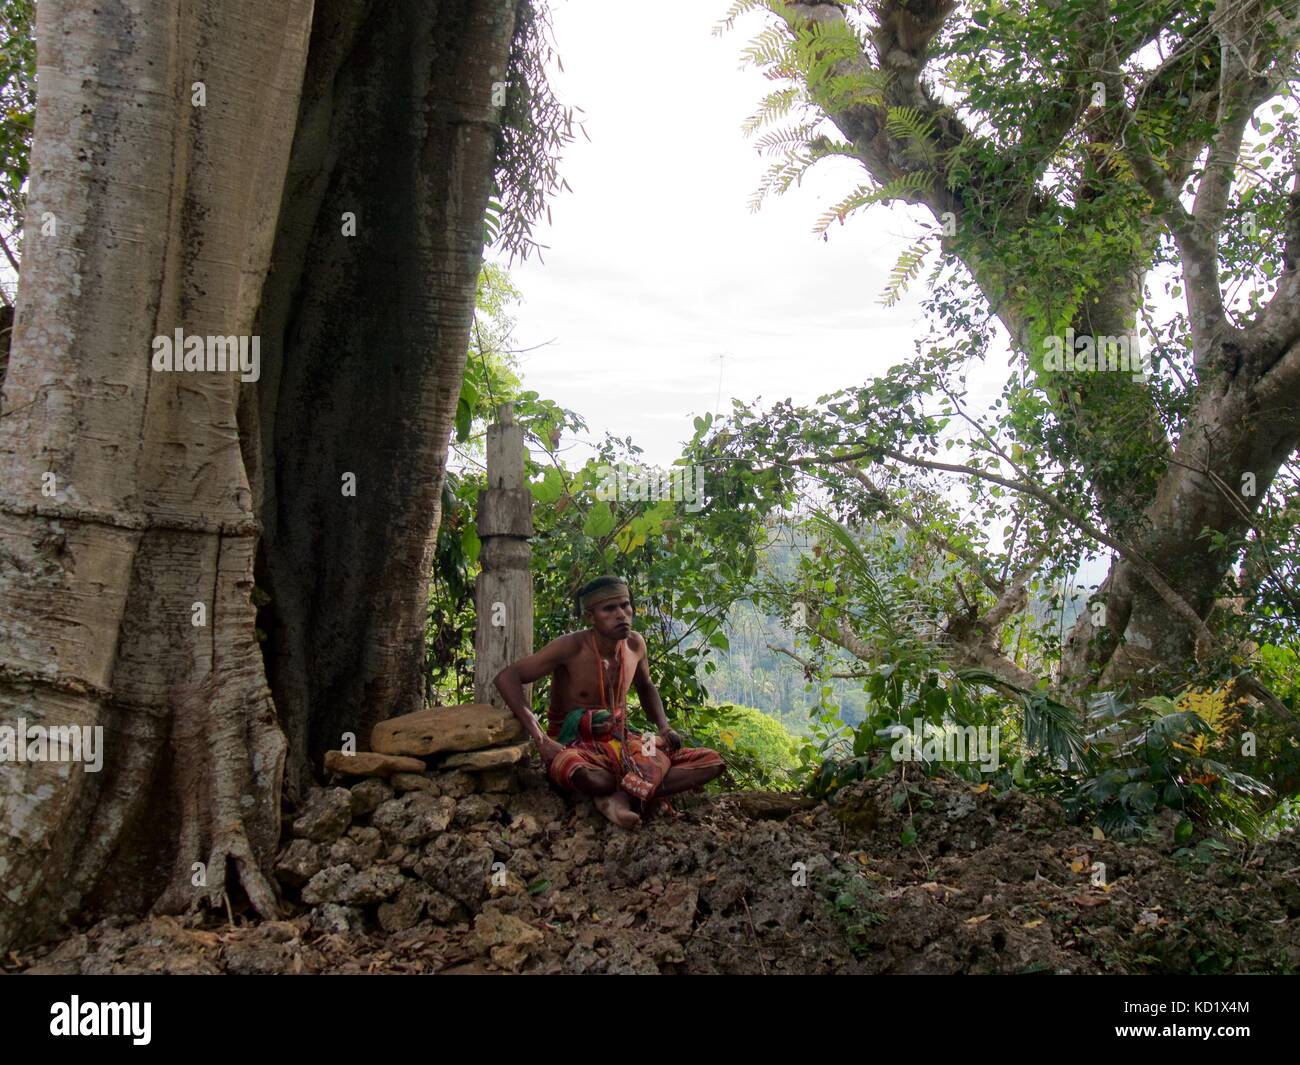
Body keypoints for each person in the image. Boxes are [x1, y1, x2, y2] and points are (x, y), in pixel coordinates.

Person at [494, 576, 725, 828]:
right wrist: (542, 740)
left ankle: (617, 797)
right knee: (588, 776)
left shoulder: (635, 644)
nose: (621, 615)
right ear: (591, 617)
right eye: (609, 609)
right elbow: (507, 678)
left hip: (624, 740)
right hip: (574, 743)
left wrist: (664, 726)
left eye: (625, 606)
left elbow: (646, 686)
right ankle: (637, 789)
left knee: (710, 762)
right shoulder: (570, 647)